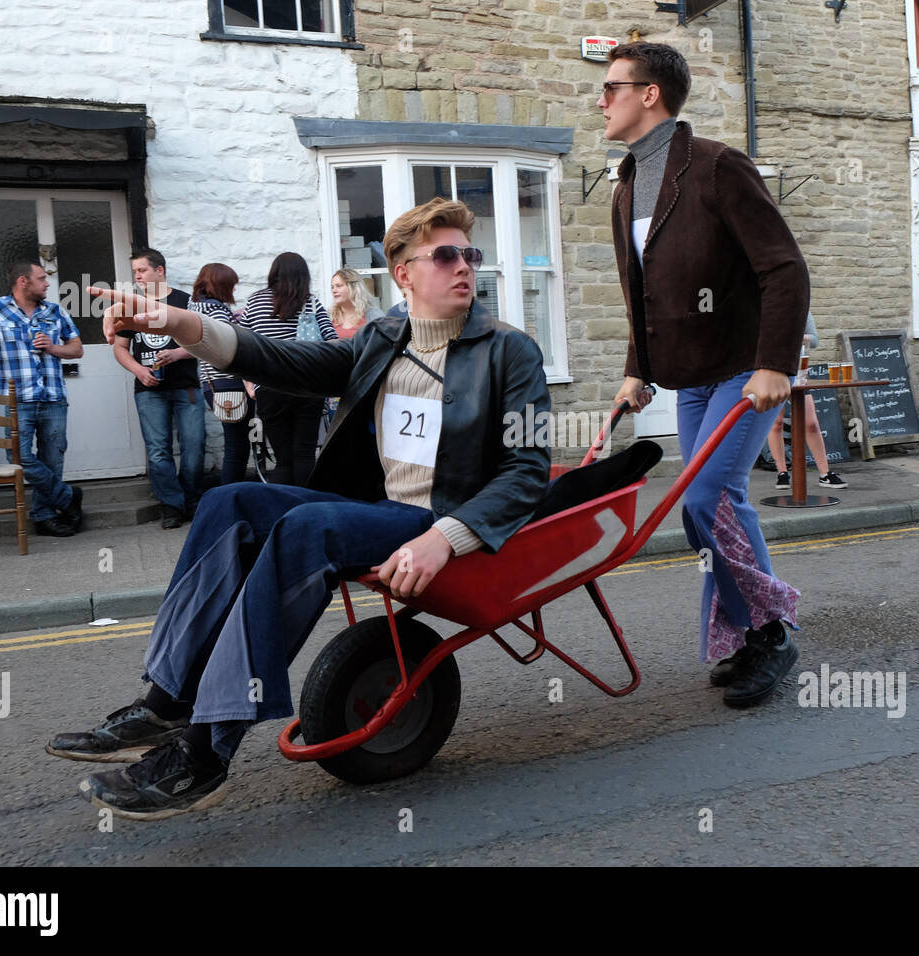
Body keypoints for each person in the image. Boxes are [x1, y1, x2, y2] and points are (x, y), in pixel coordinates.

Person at [49, 198, 550, 819]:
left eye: (469, 255)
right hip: (374, 506)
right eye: (445, 255)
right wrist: (182, 324)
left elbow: (527, 470)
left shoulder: (511, 351)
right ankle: (166, 701)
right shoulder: (383, 338)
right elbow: (283, 360)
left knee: (302, 526)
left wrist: (446, 536)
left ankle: (203, 756)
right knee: (230, 501)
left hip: (433, 517)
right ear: (403, 274)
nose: (464, 267)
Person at [601, 42, 810, 708]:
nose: (601, 100)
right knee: (706, 510)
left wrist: (776, 362)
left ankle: (773, 633)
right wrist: (638, 371)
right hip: (691, 378)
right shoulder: (628, 185)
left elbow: (784, 268)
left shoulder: (718, 168)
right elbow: (642, 295)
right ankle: (751, 632)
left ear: (650, 93)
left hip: (745, 368)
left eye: (611, 88)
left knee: (707, 499)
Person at [0, 262, 84, 537]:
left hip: (54, 398)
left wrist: (53, 348)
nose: (47, 283)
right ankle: (67, 497)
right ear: (23, 281)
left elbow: (77, 350)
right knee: (18, 456)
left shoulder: (54, 311)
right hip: (17, 401)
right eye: (41, 278)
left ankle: (44, 516)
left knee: (53, 459)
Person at [113, 249, 205, 529]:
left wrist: (178, 354)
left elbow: (204, 340)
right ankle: (171, 506)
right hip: (149, 389)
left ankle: (192, 501)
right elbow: (119, 347)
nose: (137, 276)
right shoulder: (130, 306)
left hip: (186, 386)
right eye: (135, 272)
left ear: (160, 271)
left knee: (195, 446)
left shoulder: (185, 302)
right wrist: (138, 370)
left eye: (142, 270)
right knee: (158, 451)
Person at [241, 253, 338, 486]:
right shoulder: (311, 302)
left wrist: (249, 382)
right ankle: (307, 510)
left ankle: (282, 511)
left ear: (274, 273)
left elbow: (241, 344)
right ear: (303, 276)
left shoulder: (254, 301)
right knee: (304, 453)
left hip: (270, 386)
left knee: (283, 459)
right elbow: (333, 341)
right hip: (307, 385)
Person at [760, 312, 848, 489]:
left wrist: (794, 336)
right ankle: (782, 473)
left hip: (798, 371)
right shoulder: (767, 309)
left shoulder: (802, 310)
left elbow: (814, 340)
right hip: (773, 370)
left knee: (811, 424)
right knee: (776, 423)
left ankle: (824, 474)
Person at [190, 263, 253, 486]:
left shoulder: (198, 307)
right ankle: (229, 497)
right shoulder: (213, 310)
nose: (233, 292)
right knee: (237, 446)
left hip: (214, 384)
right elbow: (230, 346)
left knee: (236, 443)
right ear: (221, 285)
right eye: (231, 286)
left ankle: (231, 496)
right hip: (229, 383)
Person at [330, 267, 384, 339]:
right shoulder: (330, 316)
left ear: (353, 287)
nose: (334, 290)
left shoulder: (372, 314)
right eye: (332, 287)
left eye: (339, 286)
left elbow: (384, 343)